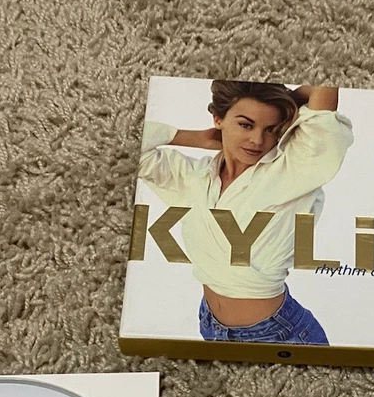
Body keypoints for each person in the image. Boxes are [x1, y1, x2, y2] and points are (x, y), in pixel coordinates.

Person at [137, 80, 353, 344]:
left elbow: (324, 89)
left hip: (280, 336)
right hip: (210, 327)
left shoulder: (291, 171)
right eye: (246, 125)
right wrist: (194, 137)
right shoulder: (193, 177)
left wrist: (289, 100)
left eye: (270, 129)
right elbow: (124, 146)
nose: (258, 140)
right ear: (218, 119)